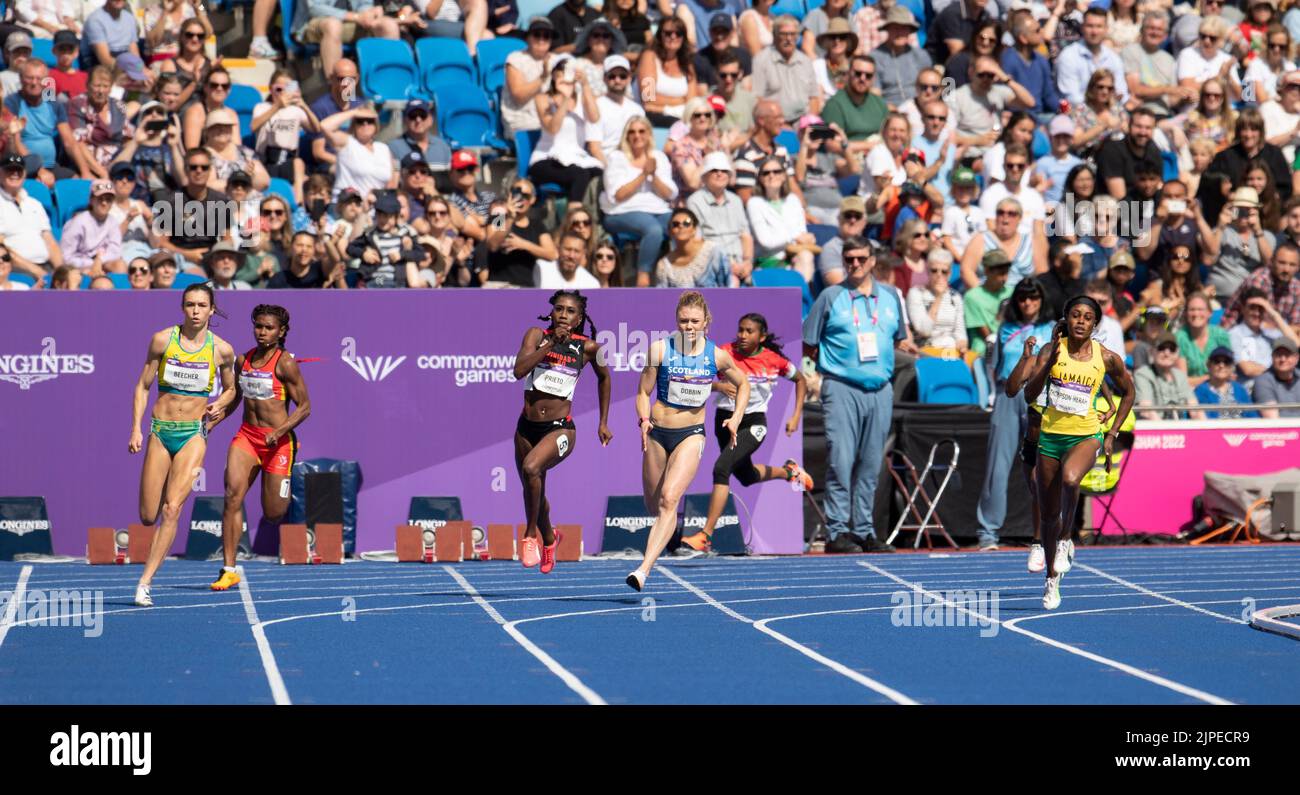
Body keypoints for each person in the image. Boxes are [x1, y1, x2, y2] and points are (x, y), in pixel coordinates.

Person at [628, 290, 748, 590]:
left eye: (695, 321)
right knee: (654, 504)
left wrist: (736, 417)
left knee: (670, 498)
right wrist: (643, 421)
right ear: (676, 321)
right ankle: (664, 535)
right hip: (657, 432)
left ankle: (643, 569)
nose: (689, 327)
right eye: (683, 321)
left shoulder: (716, 355)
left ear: (706, 322)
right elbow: (643, 392)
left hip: (691, 434)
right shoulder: (659, 350)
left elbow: (743, 383)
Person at [803, 236, 916, 554]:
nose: (854, 264)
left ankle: (864, 530)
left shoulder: (891, 295)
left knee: (870, 463)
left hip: (880, 389)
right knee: (841, 459)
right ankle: (837, 531)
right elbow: (809, 341)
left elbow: (897, 340)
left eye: (860, 259)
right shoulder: (830, 296)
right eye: (848, 259)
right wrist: (837, 365)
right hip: (841, 387)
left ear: (871, 261)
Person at [1022, 295, 1135, 610]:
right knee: (1047, 518)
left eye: (1087, 317)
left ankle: (1066, 538)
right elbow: (1029, 393)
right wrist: (1051, 358)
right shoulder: (1051, 351)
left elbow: (1130, 391)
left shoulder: (1107, 357)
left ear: (1095, 324)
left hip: (1086, 435)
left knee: (1071, 480)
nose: (1081, 321)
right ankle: (1050, 579)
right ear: (1066, 320)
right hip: (1051, 437)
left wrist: (1112, 432)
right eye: (1075, 315)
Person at [129, 283, 238, 607]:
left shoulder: (222, 350)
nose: (195, 311)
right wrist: (136, 428)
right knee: (149, 515)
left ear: (211, 310)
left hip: (193, 434)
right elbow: (142, 386)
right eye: (190, 304)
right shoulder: (163, 340)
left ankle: (145, 583)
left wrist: (220, 402)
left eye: (202, 305)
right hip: (160, 432)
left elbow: (232, 389)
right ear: (182, 307)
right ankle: (155, 524)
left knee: (172, 508)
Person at [684, 312, 810, 554]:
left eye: (749, 331)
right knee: (747, 476)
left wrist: (795, 416)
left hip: (753, 423)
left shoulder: (775, 360)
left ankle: (705, 535)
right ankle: (789, 471)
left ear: (761, 337)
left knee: (721, 468)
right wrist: (719, 385)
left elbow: (801, 380)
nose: (742, 335)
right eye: (740, 329)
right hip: (724, 420)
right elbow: (695, 379)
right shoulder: (723, 353)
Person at [207, 304, 312, 591]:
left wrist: (279, 431)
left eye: (269, 328)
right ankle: (229, 569)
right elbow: (237, 398)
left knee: (273, 512)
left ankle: (285, 486)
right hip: (247, 438)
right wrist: (217, 419)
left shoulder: (285, 363)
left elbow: (304, 407)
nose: (262, 332)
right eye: (259, 326)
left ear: (281, 331)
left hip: (278, 443)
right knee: (231, 496)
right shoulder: (243, 360)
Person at [507, 290, 613, 572]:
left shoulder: (589, 348)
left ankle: (530, 536)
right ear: (552, 312)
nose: (563, 315)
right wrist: (550, 344)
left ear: (579, 319)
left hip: (561, 429)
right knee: (533, 491)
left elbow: (605, 379)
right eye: (559, 309)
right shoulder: (535, 335)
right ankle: (551, 540)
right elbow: (518, 370)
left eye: (570, 311)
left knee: (531, 469)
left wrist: (603, 421)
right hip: (526, 428)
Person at [979, 277, 1056, 560]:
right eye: (1023, 298)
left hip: (1042, 399)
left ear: (1041, 299)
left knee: (1043, 466)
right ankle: (988, 532)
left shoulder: (1052, 329)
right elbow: (992, 366)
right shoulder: (1005, 329)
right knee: (997, 465)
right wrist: (989, 395)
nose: (1028, 303)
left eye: (1033, 297)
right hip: (1008, 396)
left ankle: (1047, 530)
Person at [600, 117, 676, 287]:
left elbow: (669, 194)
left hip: (658, 209)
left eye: (641, 131)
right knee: (653, 229)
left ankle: (680, 272)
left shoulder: (658, 157)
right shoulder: (616, 157)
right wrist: (643, 175)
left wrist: (653, 175)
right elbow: (618, 195)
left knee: (682, 224)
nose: (637, 136)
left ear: (649, 134)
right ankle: (643, 276)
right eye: (632, 132)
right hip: (621, 211)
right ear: (626, 136)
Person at [529, 58, 603, 203]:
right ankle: (574, 218)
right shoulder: (543, 99)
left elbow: (594, 118)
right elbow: (552, 129)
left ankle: (587, 217)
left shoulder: (583, 98)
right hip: (546, 158)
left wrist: (585, 85)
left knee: (601, 174)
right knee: (580, 175)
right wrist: (565, 99)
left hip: (577, 158)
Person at [687, 150, 753, 284]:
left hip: (740, 263)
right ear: (704, 176)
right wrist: (726, 264)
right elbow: (697, 243)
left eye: (724, 170)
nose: (719, 173)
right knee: (732, 281)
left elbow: (745, 236)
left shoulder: (736, 200)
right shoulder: (694, 201)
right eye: (714, 170)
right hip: (711, 265)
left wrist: (747, 262)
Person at [747, 154, 816, 281]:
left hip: (793, 256)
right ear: (760, 178)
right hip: (767, 261)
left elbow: (803, 233)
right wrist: (795, 237)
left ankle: (801, 299)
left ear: (784, 176)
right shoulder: (754, 203)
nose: (771, 175)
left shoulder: (793, 200)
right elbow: (766, 242)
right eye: (766, 173)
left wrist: (800, 237)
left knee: (806, 256)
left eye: (776, 171)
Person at [0, 152, 62, 281]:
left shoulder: (34, 204)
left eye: (18, 170)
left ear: (24, 174)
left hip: (45, 266)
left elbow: (50, 241)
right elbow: (2, 248)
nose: (14, 173)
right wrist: (34, 269)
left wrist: (61, 272)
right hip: (16, 269)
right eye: (9, 170)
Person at [961, 195, 1046, 288]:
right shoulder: (981, 239)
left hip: (1022, 298)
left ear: (1020, 218)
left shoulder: (1031, 242)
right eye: (1000, 213)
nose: (1005, 219)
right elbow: (966, 270)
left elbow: (1042, 274)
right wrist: (982, 296)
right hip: (987, 295)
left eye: (1012, 214)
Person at [1055, 7, 1131, 108]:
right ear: (1082, 28)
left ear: (1106, 29)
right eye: (1090, 26)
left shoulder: (1113, 58)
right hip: (1077, 113)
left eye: (1099, 26)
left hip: (1109, 111)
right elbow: (1071, 97)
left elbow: (1122, 93)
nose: (1094, 32)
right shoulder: (1068, 56)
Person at [320, 104, 396, 201]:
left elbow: (391, 183)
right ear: (354, 125)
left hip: (375, 209)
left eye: (370, 121)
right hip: (346, 206)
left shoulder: (384, 148)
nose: (365, 124)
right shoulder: (347, 143)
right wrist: (354, 112)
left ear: (376, 124)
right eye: (360, 121)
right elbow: (324, 125)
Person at [638, 15, 699, 126]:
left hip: (680, 118)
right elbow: (648, 100)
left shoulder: (687, 63)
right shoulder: (649, 56)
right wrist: (680, 101)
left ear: (683, 37)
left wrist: (663, 103)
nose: (673, 37)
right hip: (652, 118)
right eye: (668, 33)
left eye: (678, 33)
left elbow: (692, 103)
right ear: (660, 35)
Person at [584, 54, 646, 166]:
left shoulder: (637, 109)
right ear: (604, 78)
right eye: (612, 76)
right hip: (605, 161)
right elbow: (594, 148)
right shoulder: (596, 106)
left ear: (629, 78)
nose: (617, 80)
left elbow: (643, 144)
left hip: (632, 162)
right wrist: (610, 169)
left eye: (622, 76)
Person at [1135, 329, 1203, 420]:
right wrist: (1167, 431)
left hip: (1179, 428)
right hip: (1154, 430)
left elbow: (1195, 409)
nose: (1167, 353)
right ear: (1151, 351)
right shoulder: (1143, 374)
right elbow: (1146, 410)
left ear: (1177, 353)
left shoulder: (1180, 375)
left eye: (1172, 349)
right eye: (1161, 348)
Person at [60, 179, 125, 275]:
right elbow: (65, 256)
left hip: (103, 262)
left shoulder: (112, 222)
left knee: (120, 265)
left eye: (108, 199)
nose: (104, 203)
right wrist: (92, 264)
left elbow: (115, 251)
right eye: (100, 199)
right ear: (91, 200)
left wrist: (100, 260)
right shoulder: (78, 222)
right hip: (81, 265)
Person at [873, 6, 932, 108]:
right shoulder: (875, 57)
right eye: (896, 28)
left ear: (910, 31)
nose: (900, 33)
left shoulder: (921, 56)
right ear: (887, 29)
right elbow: (874, 96)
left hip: (920, 109)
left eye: (904, 28)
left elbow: (931, 87)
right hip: (889, 110)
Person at [656, 206, 731, 287]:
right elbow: (663, 297)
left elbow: (727, 287)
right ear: (670, 232)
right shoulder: (664, 266)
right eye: (675, 224)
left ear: (694, 229)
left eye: (686, 223)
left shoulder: (714, 251)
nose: (681, 226)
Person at [1177, 292, 1233, 388]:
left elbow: (1229, 372)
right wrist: (1211, 377)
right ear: (1186, 313)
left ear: (1210, 313)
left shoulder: (1220, 335)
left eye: (1200, 309)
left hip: (1219, 388)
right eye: (1192, 310)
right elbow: (1182, 381)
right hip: (1190, 392)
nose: (1196, 313)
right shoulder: (1180, 337)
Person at [1195, 346, 1259, 419]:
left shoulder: (1240, 390)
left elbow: (1252, 416)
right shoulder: (1200, 392)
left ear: (1232, 367)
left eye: (1226, 362)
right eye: (1216, 361)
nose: (1221, 365)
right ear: (1209, 365)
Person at [536, 232, 601, 289]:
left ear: (583, 254)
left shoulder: (591, 284)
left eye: (577, 251)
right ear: (558, 249)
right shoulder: (541, 270)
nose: (571, 256)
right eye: (568, 249)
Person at [1254, 337, 1300, 417]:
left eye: (1287, 354)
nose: (1283, 359)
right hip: (1280, 428)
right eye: (1278, 355)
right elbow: (1272, 419)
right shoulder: (1263, 381)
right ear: (1272, 357)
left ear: (1296, 358)